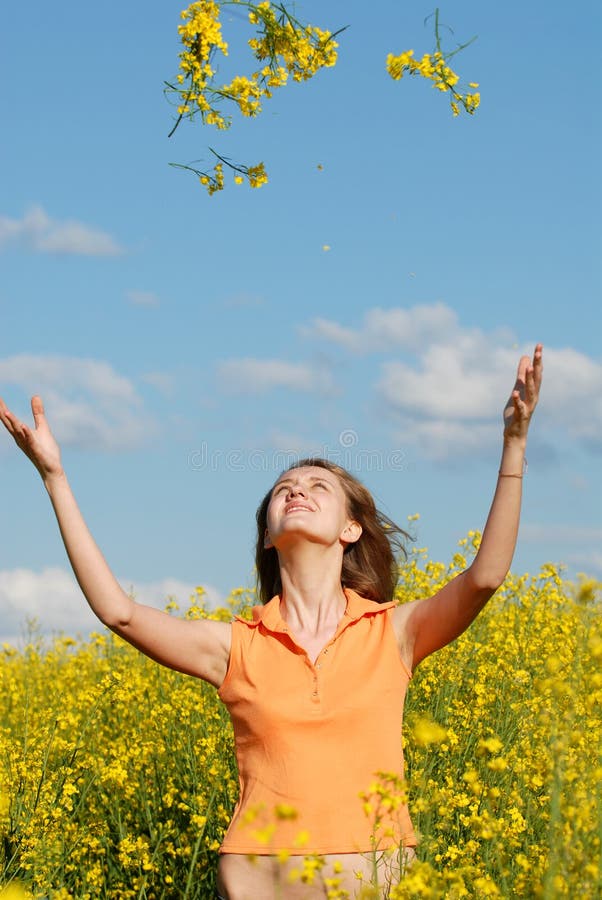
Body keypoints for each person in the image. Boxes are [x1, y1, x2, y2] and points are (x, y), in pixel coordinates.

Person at [0, 344, 543, 899]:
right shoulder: (238, 645)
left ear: (351, 529)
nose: (296, 491)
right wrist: (54, 476)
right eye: (284, 490)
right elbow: (118, 610)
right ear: (267, 534)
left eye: (317, 487)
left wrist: (515, 444)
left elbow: (486, 576)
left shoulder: (393, 633)